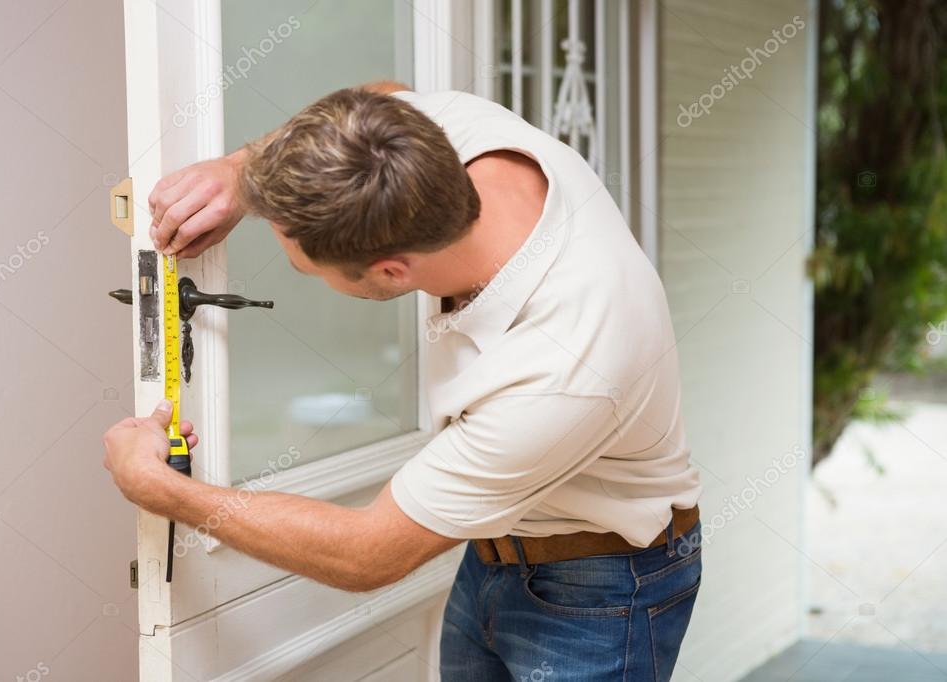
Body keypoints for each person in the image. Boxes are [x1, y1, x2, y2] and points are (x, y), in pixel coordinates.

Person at [102, 80, 703, 680]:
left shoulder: (564, 365)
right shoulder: (449, 134)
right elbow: (382, 97)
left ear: (391, 272)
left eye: (305, 268)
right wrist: (242, 172)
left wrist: (159, 488)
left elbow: (368, 552)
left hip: (602, 591)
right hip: (492, 547)